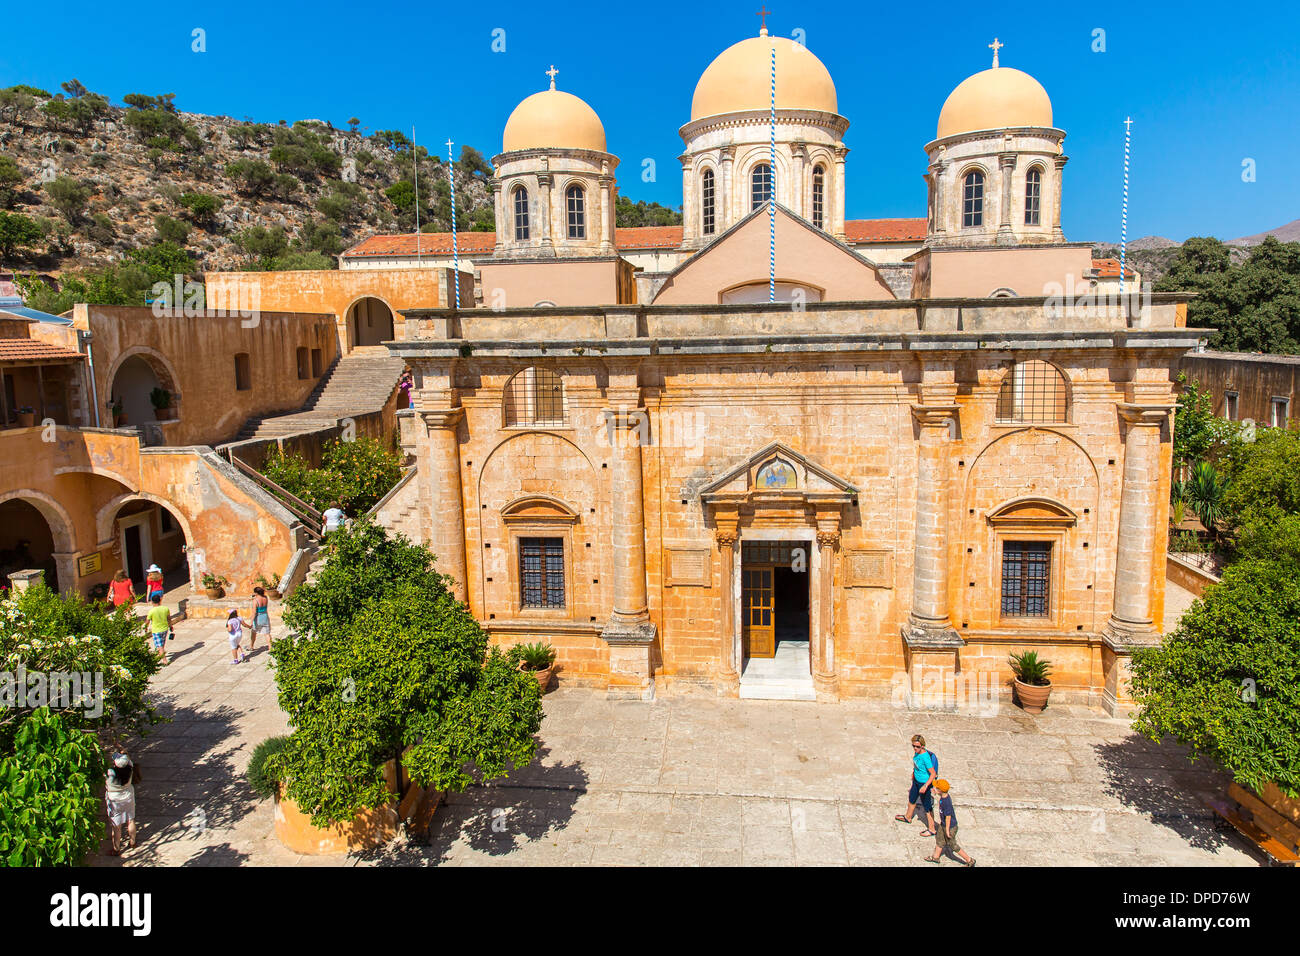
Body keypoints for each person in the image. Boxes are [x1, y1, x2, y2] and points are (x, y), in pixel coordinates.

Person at [924, 779, 976, 866]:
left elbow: (948, 817)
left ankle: (969, 860)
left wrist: (947, 831)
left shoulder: (946, 802)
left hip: (950, 827)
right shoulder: (943, 797)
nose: (934, 789)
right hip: (943, 824)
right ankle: (936, 857)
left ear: (940, 790)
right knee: (939, 839)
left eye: (936, 788)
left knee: (953, 845)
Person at [895, 734, 938, 836]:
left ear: (922, 746)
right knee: (912, 798)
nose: (915, 748)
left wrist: (926, 785)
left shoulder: (925, 757)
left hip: (923, 783)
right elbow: (917, 766)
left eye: (917, 746)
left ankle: (932, 829)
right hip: (916, 781)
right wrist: (913, 773)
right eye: (913, 746)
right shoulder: (917, 754)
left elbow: (933, 773)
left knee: (927, 806)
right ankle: (908, 817)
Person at [104, 752, 139, 856]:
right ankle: (132, 842)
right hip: (128, 797)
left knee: (116, 826)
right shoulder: (130, 769)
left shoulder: (110, 773)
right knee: (131, 820)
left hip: (114, 800)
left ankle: (116, 848)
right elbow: (127, 755)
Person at [146, 594, 171, 665]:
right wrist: (170, 625)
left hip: (156, 631)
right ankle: (160, 654)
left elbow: (147, 621)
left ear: (152, 602)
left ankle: (164, 660)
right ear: (160, 600)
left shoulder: (151, 611)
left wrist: (145, 628)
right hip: (164, 628)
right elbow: (169, 618)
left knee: (159, 646)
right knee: (161, 644)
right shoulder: (165, 609)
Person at [249, 586, 272, 652]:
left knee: (253, 632)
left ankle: (251, 646)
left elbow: (254, 612)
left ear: (256, 593)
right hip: (265, 617)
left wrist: (251, 622)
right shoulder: (266, 598)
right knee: (267, 634)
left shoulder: (255, 601)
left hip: (258, 618)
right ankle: (270, 648)